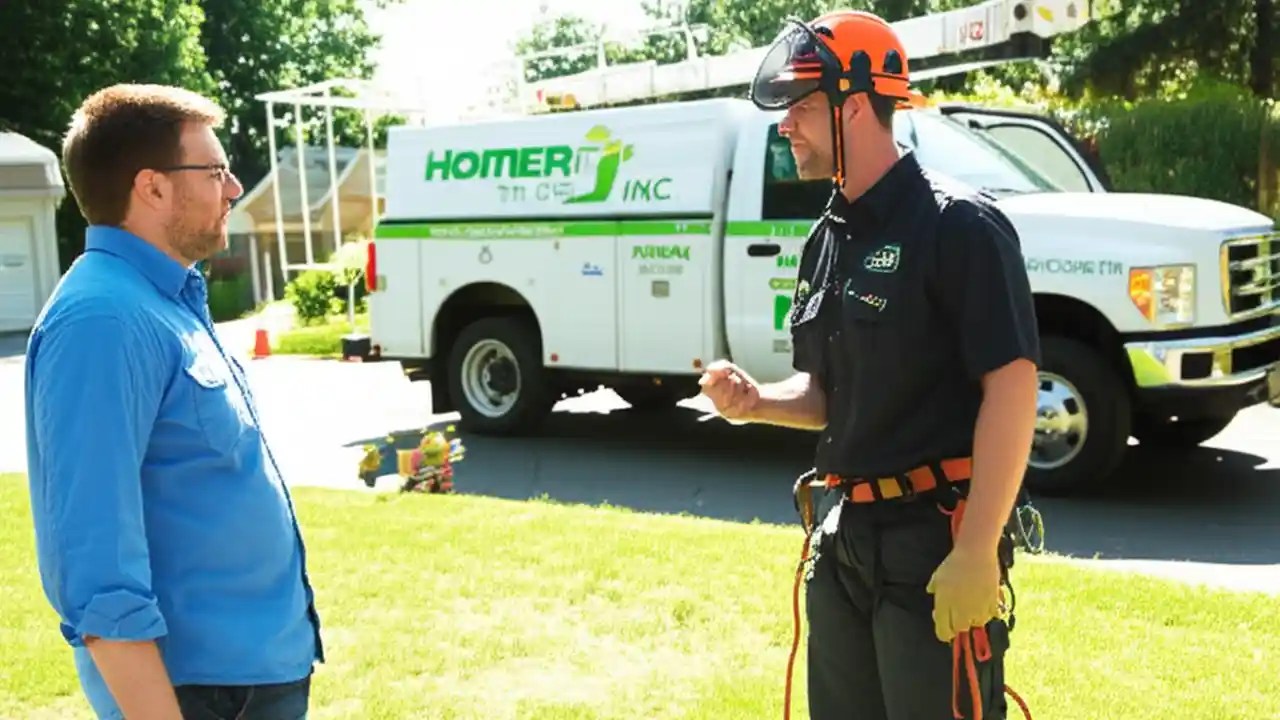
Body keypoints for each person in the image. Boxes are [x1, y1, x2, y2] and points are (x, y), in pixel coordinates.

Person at [699, 10, 1041, 720]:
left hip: (934, 541)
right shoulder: (825, 237)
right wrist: (757, 400)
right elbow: (825, 395)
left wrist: (978, 549)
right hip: (845, 537)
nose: (785, 125)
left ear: (854, 104)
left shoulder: (960, 226)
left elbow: (1013, 387)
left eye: (800, 106)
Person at [24, 83, 323, 720]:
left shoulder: (163, 301)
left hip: (244, 681)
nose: (234, 187)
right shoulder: (103, 320)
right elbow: (94, 563)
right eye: (215, 171)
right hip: (201, 696)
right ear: (152, 187)